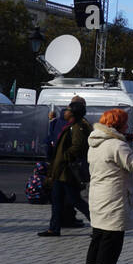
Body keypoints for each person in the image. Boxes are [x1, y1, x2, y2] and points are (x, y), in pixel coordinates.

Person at [83, 109, 133, 264]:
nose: (127, 127)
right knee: (110, 247)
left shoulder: (95, 142)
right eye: (125, 123)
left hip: (97, 198)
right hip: (114, 201)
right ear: (118, 125)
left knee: (97, 243)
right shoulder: (116, 145)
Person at [39, 96, 90, 236]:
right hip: (60, 170)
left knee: (76, 201)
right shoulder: (68, 125)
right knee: (56, 200)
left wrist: (65, 156)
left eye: (68, 109)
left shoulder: (77, 127)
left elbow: (77, 147)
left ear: (73, 112)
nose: (65, 111)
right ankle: (54, 228)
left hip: (67, 171)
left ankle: (98, 226)